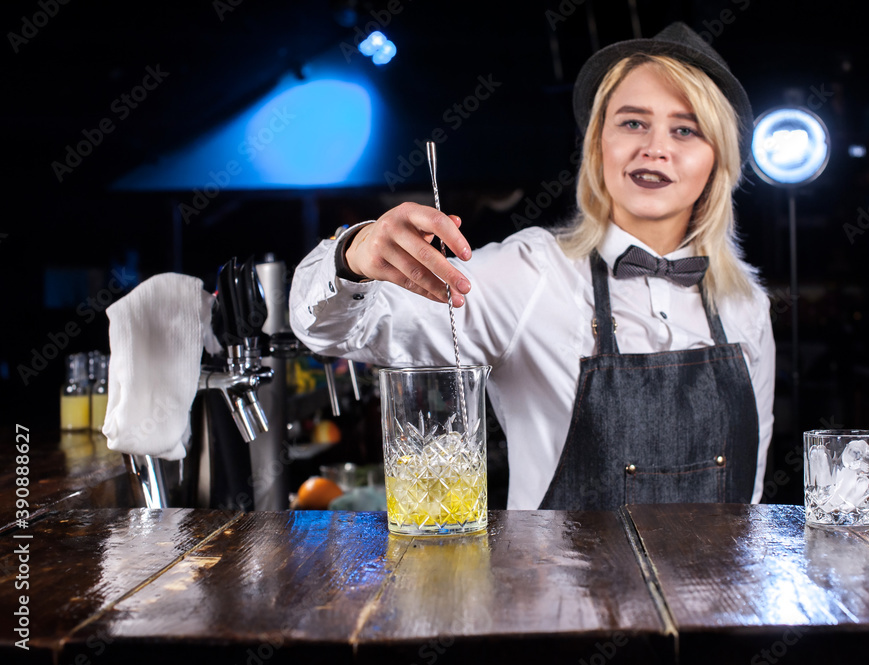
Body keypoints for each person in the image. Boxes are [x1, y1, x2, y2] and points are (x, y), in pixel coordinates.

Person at [290, 22, 775, 511]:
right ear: (597, 144)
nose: (655, 147)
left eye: (685, 130)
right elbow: (338, 334)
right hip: (558, 566)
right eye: (632, 123)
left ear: (718, 158)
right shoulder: (530, 274)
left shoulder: (746, 305)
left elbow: (747, 496)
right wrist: (354, 255)